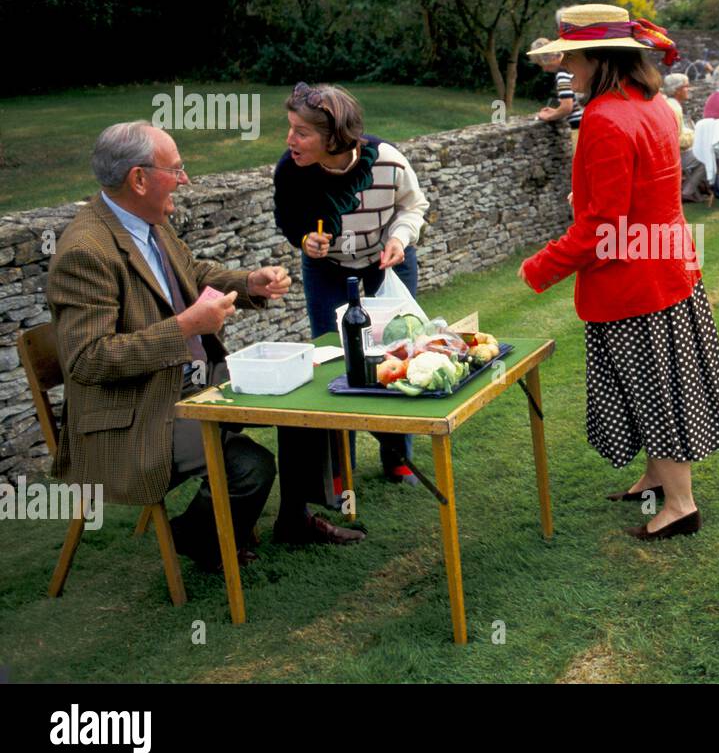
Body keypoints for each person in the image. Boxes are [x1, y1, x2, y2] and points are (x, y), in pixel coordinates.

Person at [521, 4, 719, 540]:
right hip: (670, 263)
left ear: (597, 56)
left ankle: (680, 506)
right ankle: (656, 481)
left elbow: (601, 228)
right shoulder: (656, 102)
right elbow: (636, 195)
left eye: (571, 52)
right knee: (645, 386)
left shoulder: (604, 117)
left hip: (636, 281)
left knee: (656, 392)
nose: (566, 62)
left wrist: (540, 267)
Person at [46, 121, 292, 571]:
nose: (185, 179)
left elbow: (191, 274)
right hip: (132, 417)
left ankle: (299, 517)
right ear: (138, 179)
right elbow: (88, 359)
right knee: (249, 466)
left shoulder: (147, 221)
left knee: (298, 403)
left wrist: (249, 283)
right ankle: (194, 539)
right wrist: (183, 327)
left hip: (184, 387)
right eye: (175, 169)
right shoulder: (86, 251)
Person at [273, 82, 431, 495]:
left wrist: (400, 237)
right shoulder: (290, 170)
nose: (290, 139)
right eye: (290, 128)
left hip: (386, 261)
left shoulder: (388, 160)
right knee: (335, 359)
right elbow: (289, 219)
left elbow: (412, 206)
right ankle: (339, 467)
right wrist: (305, 240)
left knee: (396, 352)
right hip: (327, 269)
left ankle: (398, 457)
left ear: (335, 136)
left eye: (301, 132)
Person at [662, 73, 710, 202]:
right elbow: (678, 141)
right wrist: (696, 136)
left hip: (667, 154)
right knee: (709, 154)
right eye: (686, 86)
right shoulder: (675, 108)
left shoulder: (666, 103)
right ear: (677, 90)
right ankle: (686, 191)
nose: (689, 89)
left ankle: (689, 190)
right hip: (673, 156)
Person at [532, 37, 585, 144]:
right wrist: (556, 110)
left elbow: (567, 107)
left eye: (542, 65)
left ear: (550, 59)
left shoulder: (562, 73)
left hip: (580, 129)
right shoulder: (575, 65)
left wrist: (548, 116)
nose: (544, 69)